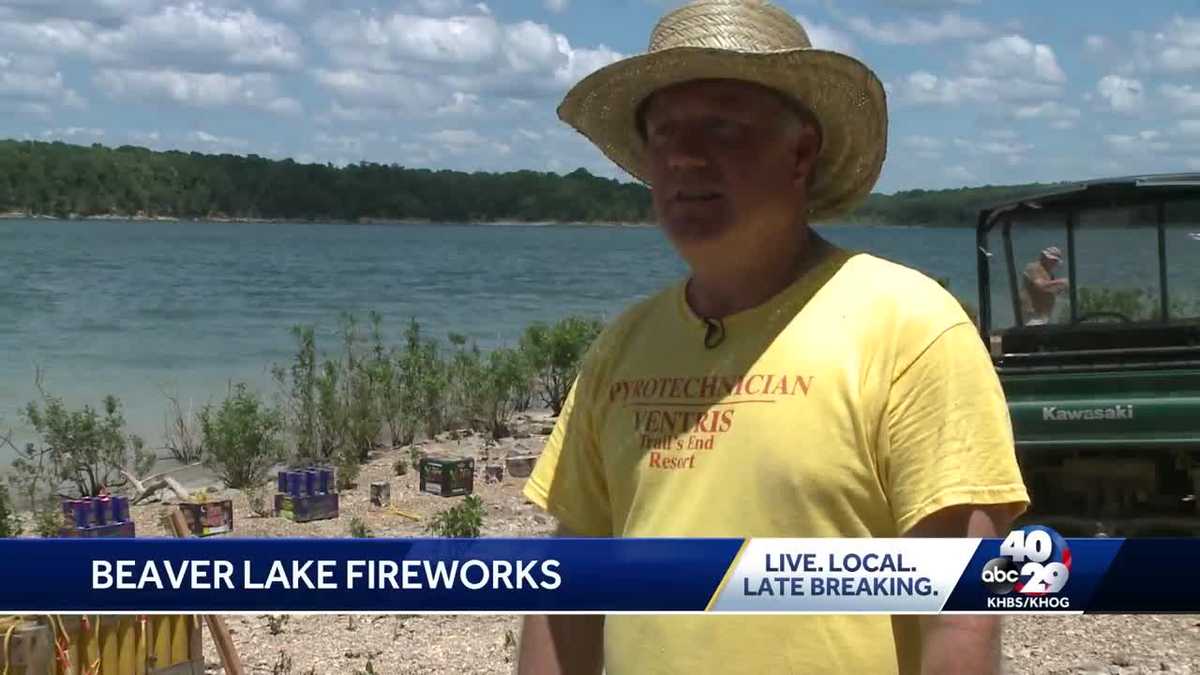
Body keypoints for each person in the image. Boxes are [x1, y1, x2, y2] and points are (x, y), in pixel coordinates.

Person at [517, 1, 1029, 674]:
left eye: (722, 126)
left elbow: (961, 608)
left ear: (800, 152)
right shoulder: (624, 345)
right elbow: (569, 589)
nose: (685, 156)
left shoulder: (910, 328)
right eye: (664, 132)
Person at [1021, 246, 1069, 325]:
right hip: (1032, 314)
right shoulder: (1033, 267)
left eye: (1055, 261)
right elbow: (1041, 286)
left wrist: (1062, 289)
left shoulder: (1048, 274)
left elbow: (1051, 290)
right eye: (1052, 260)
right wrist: (1061, 282)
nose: (1054, 263)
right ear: (1044, 257)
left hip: (1043, 314)